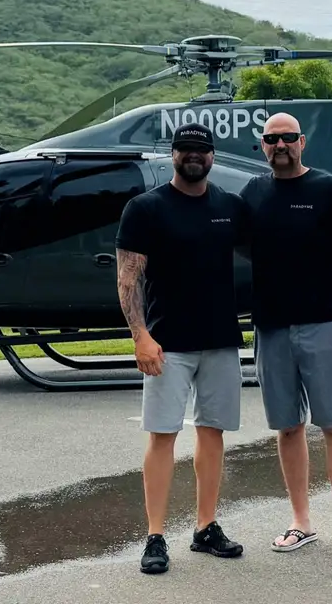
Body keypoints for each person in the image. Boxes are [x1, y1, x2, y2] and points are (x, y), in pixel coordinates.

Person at [114, 121, 248, 574]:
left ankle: (205, 527)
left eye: (202, 150)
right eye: (185, 149)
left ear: (212, 157)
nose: (194, 156)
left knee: (213, 433)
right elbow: (127, 279)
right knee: (162, 435)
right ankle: (154, 536)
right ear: (173, 154)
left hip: (220, 341)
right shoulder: (145, 209)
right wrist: (140, 335)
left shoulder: (230, 207)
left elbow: (274, 248)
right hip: (166, 342)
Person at [241, 111, 332, 562]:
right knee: (288, 426)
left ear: (302, 143)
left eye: (289, 138)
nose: (281, 146)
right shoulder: (253, 194)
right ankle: (301, 522)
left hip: (324, 322)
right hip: (271, 326)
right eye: (272, 139)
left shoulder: (329, 189)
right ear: (262, 146)